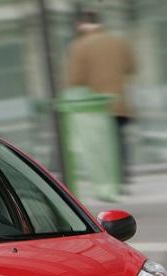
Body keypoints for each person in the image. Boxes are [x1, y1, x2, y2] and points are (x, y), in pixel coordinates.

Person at [65, 10, 136, 187]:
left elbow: (75, 79)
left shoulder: (79, 46)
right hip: (119, 103)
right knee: (118, 140)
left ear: (81, 25)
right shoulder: (118, 42)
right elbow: (132, 67)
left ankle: (108, 180)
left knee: (101, 144)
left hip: (95, 106)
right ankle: (122, 178)